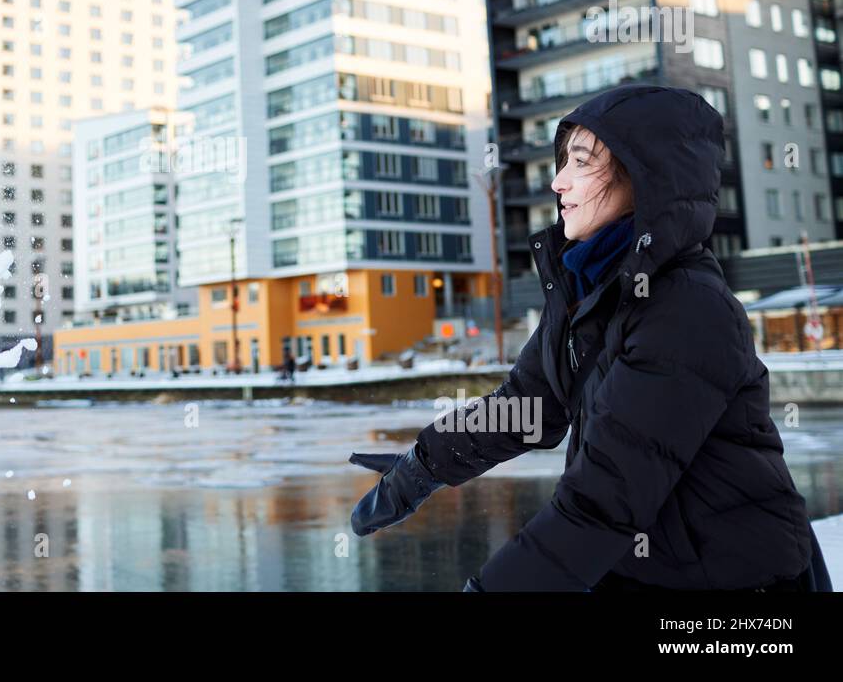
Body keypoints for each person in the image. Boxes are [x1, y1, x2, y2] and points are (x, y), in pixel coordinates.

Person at [349, 84, 829, 592]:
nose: (558, 183)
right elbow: (528, 407)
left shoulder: (687, 309)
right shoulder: (593, 289)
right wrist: (421, 465)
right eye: (563, 163)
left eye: (580, 163)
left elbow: (604, 500)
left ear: (644, 176)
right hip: (642, 570)